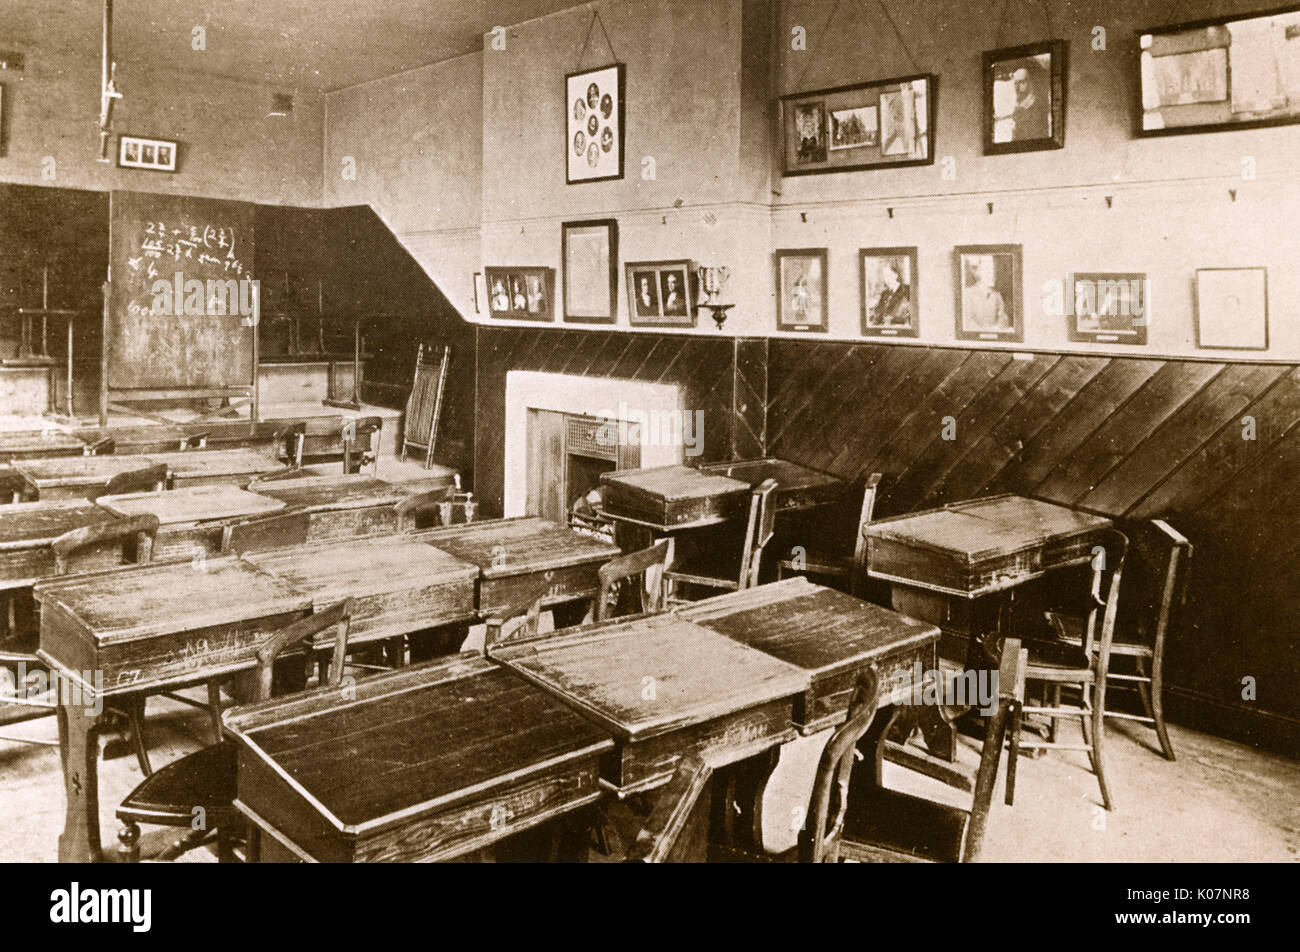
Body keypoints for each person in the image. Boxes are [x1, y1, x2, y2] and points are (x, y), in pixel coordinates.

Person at [962, 255, 1010, 330]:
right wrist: (987, 331)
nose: (991, 275)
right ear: (979, 272)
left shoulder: (996, 295)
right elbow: (966, 322)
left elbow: (1003, 317)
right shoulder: (968, 293)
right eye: (987, 270)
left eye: (993, 271)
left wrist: (998, 326)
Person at [1008, 63, 1050, 140]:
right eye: (1015, 83)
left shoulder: (1037, 106)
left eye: (1022, 82)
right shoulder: (1017, 104)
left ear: (1031, 82)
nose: (1017, 87)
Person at [869, 258, 911, 326]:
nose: (886, 279)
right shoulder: (885, 293)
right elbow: (878, 313)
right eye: (885, 276)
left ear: (896, 275)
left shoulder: (907, 291)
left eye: (889, 275)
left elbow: (907, 316)